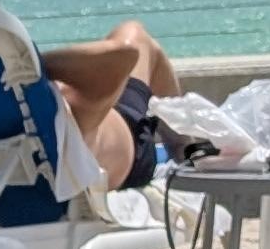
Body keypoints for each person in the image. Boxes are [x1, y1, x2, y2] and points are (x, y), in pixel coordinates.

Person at [37, 19, 175, 193]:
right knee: (135, 33)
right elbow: (123, 54)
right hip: (132, 151)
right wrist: (35, 66)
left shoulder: (15, 115)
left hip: (105, 142)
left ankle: (186, 149)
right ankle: (186, 149)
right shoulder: (65, 110)